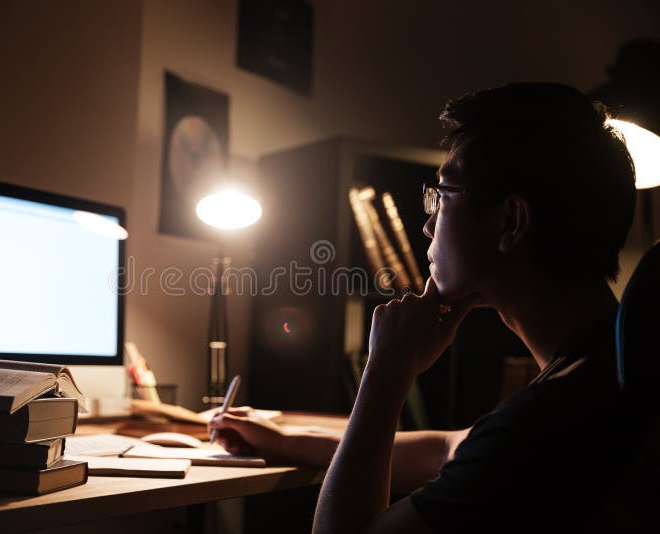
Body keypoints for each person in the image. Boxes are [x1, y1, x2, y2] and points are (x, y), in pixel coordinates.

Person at [208, 82, 637, 533]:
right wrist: (286, 440)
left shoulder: (542, 425)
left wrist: (386, 373)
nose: (428, 225)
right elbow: (445, 449)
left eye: (444, 194)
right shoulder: (610, 368)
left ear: (510, 222)